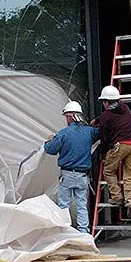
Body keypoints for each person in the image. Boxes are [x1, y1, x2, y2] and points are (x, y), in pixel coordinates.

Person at [44, 100, 99, 233]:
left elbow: (50, 149)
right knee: (81, 205)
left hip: (67, 174)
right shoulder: (89, 132)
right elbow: (101, 132)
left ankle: (65, 232)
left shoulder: (64, 133)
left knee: (63, 205)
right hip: (82, 175)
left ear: (69, 116)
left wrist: (49, 141)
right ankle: (84, 233)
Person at [96, 85, 131, 218]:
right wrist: (98, 120)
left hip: (119, 146)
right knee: (130, 176)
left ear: (106, 101)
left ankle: (116, 197)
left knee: (109, 171)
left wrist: (102, 152)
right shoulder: (125, 108)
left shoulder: (106, 115)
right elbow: (113, 118)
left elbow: (104, 138)